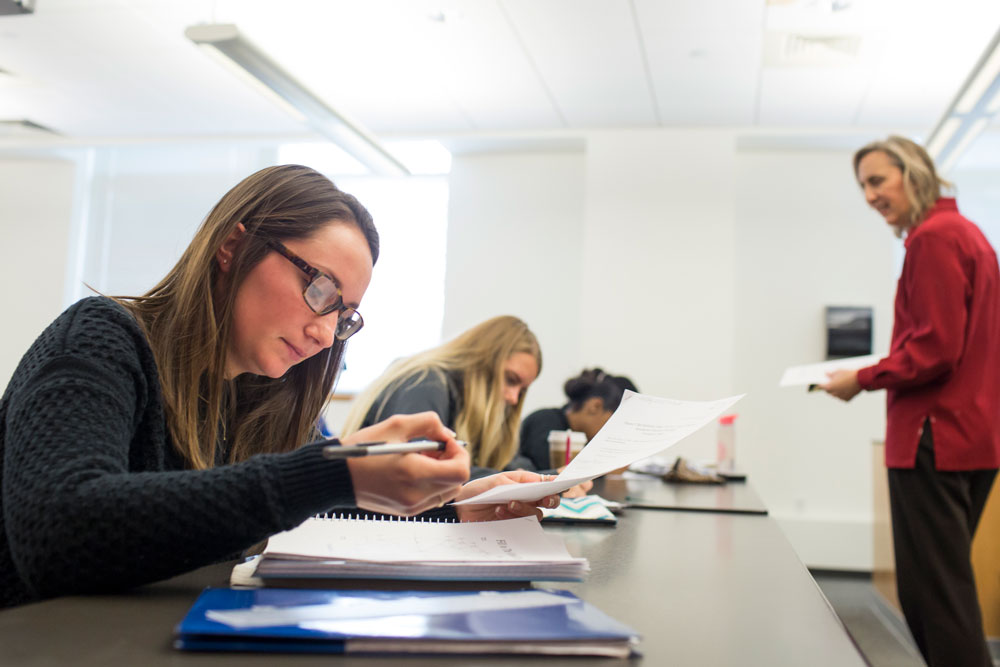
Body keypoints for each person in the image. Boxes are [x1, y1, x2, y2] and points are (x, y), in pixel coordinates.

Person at [0, 165, 557, 609]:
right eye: (319, 288)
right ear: (232, 246)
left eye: (344, 314)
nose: (323, 331)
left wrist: (452, 509)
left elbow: (299, 516)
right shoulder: (101, 337)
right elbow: (60, 531)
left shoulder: (257, 390)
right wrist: (334, 470)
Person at [820, 136, 1000, 667]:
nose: (871, 195)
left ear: (914, 172)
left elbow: (935, 349)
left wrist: (863, 377)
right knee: (945, 595)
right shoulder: (969, 236)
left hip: (933, 438)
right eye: (863, 187)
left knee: (935, 603)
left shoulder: (934, 238)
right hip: (970, 437)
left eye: (878, 180)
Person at [341, 316, 542, 481]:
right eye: (510, 379)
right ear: (483, 361)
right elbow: (419, 470)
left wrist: (548, 480)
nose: (514, 398)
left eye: (522, 390)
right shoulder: (425, 382)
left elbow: (508, 465)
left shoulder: (465, 405)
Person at [513, 368, 638, 472]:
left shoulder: (583, 437)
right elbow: (556, 475)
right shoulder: (545, 422)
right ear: (595, 406)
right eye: (617, 423)